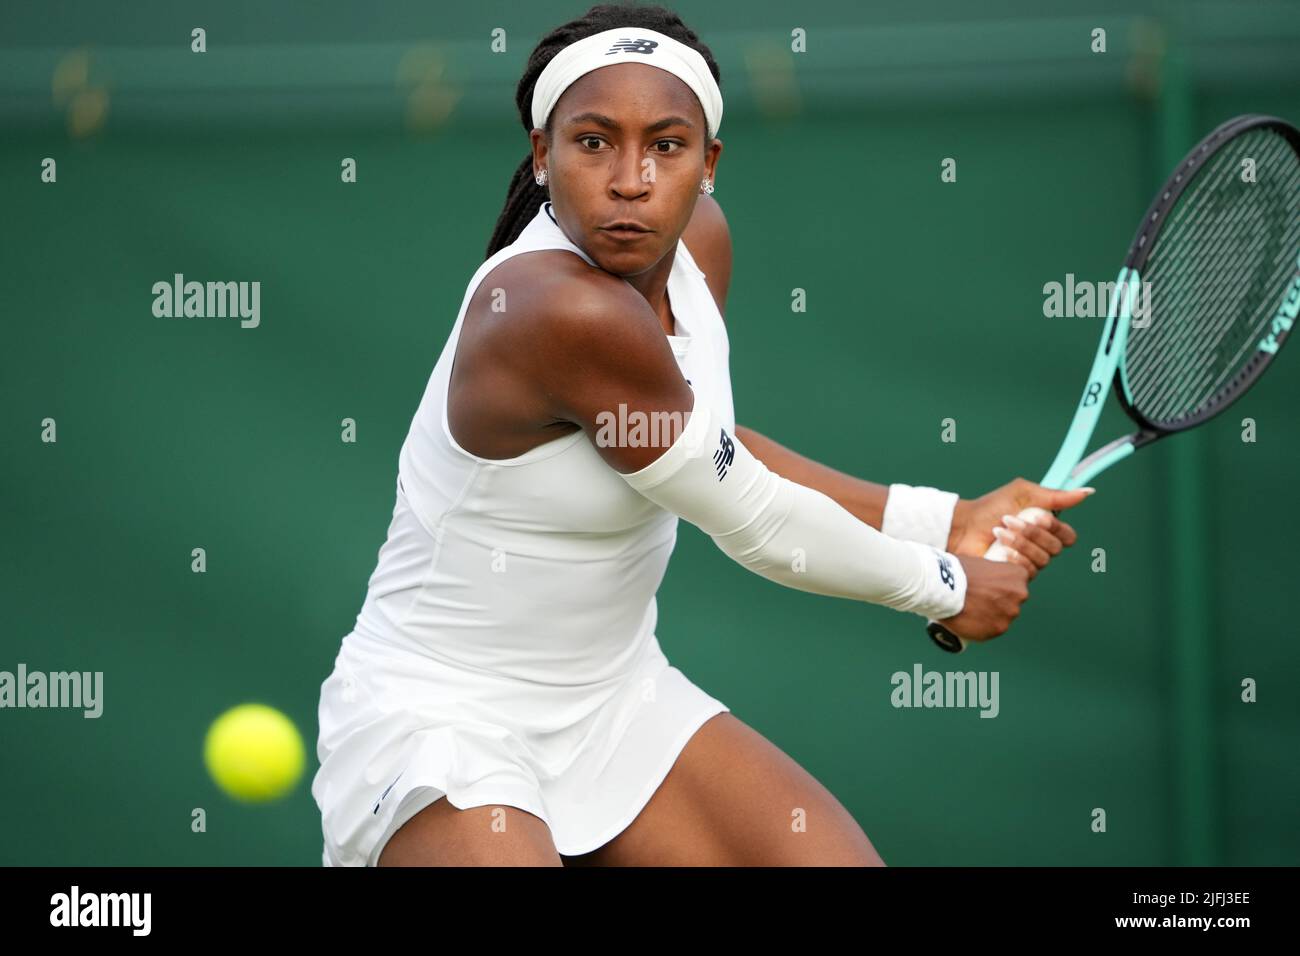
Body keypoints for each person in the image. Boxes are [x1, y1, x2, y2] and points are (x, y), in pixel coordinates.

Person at [312, 3, 1091, 867]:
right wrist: (944, 584)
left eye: (668, 146)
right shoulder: (556, 309)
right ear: (542, 153)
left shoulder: (699, 248)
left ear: (708, 163)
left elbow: (707, 447)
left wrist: (941, 518)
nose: (632, 180)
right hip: (442, 718)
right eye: (594, 142)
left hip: (615, 701)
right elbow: (748, 516)